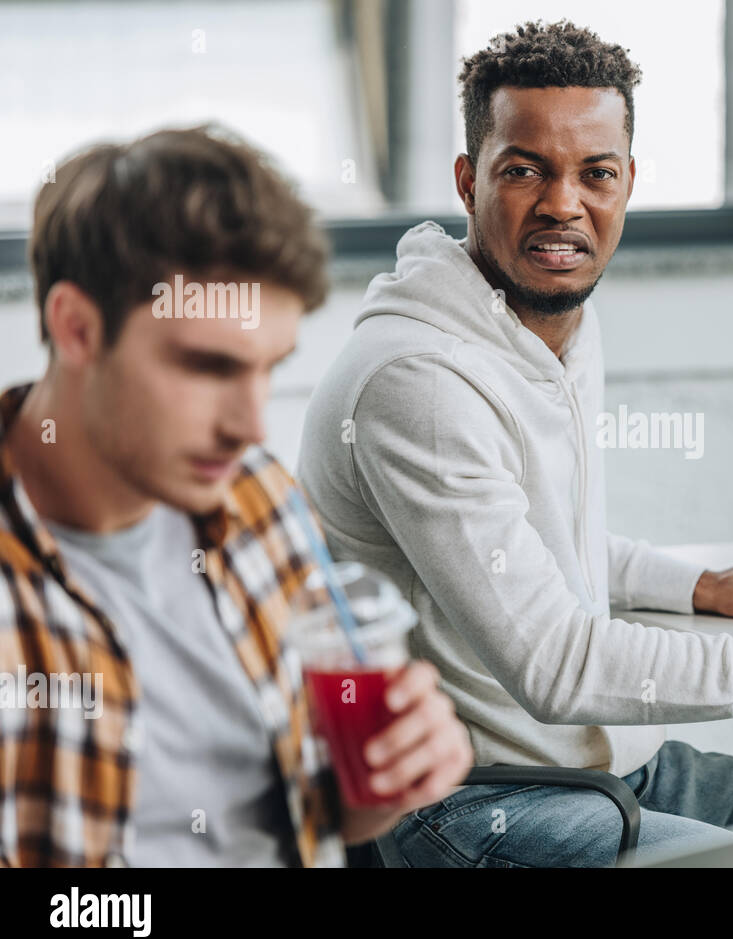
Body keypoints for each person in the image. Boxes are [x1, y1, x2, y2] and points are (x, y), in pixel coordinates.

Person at [299, 20, 733, 868]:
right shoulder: (422, 381)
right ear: (466, 180)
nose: (564, 203)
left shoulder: (550, 321)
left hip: (605, 766)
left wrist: (702, 585)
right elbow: (555, 662)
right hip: (480, 798)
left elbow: (544, 546)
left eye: (596, 173)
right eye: (525, 170)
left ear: (628, 183)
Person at [0, 126, 472, 867]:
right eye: (208, 367)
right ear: (77, 328)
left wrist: (386, 781)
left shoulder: (262, 504)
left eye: (267, 369)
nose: (251, 425)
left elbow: (315, 811)